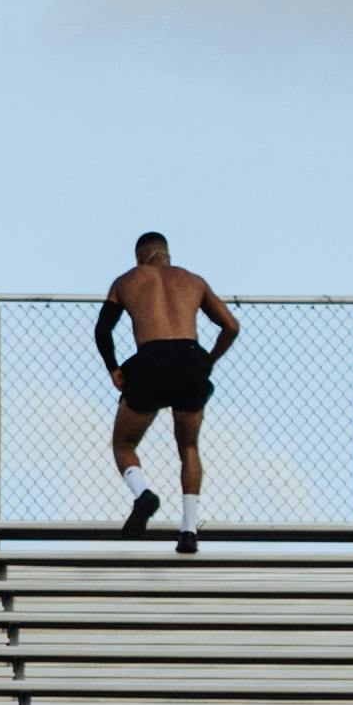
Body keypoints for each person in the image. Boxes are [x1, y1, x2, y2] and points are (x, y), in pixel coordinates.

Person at [96, 228, 239, 546]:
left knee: (124, 443)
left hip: (150, 362)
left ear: (139, 257)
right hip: (190, 360)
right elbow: (231, 326)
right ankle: (189, 530)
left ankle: (143, 494)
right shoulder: (193, 280)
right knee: (188, 446)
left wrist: (114, 369)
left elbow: (102, 331)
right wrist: (210, 360)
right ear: (168, 253)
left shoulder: (127, 281)